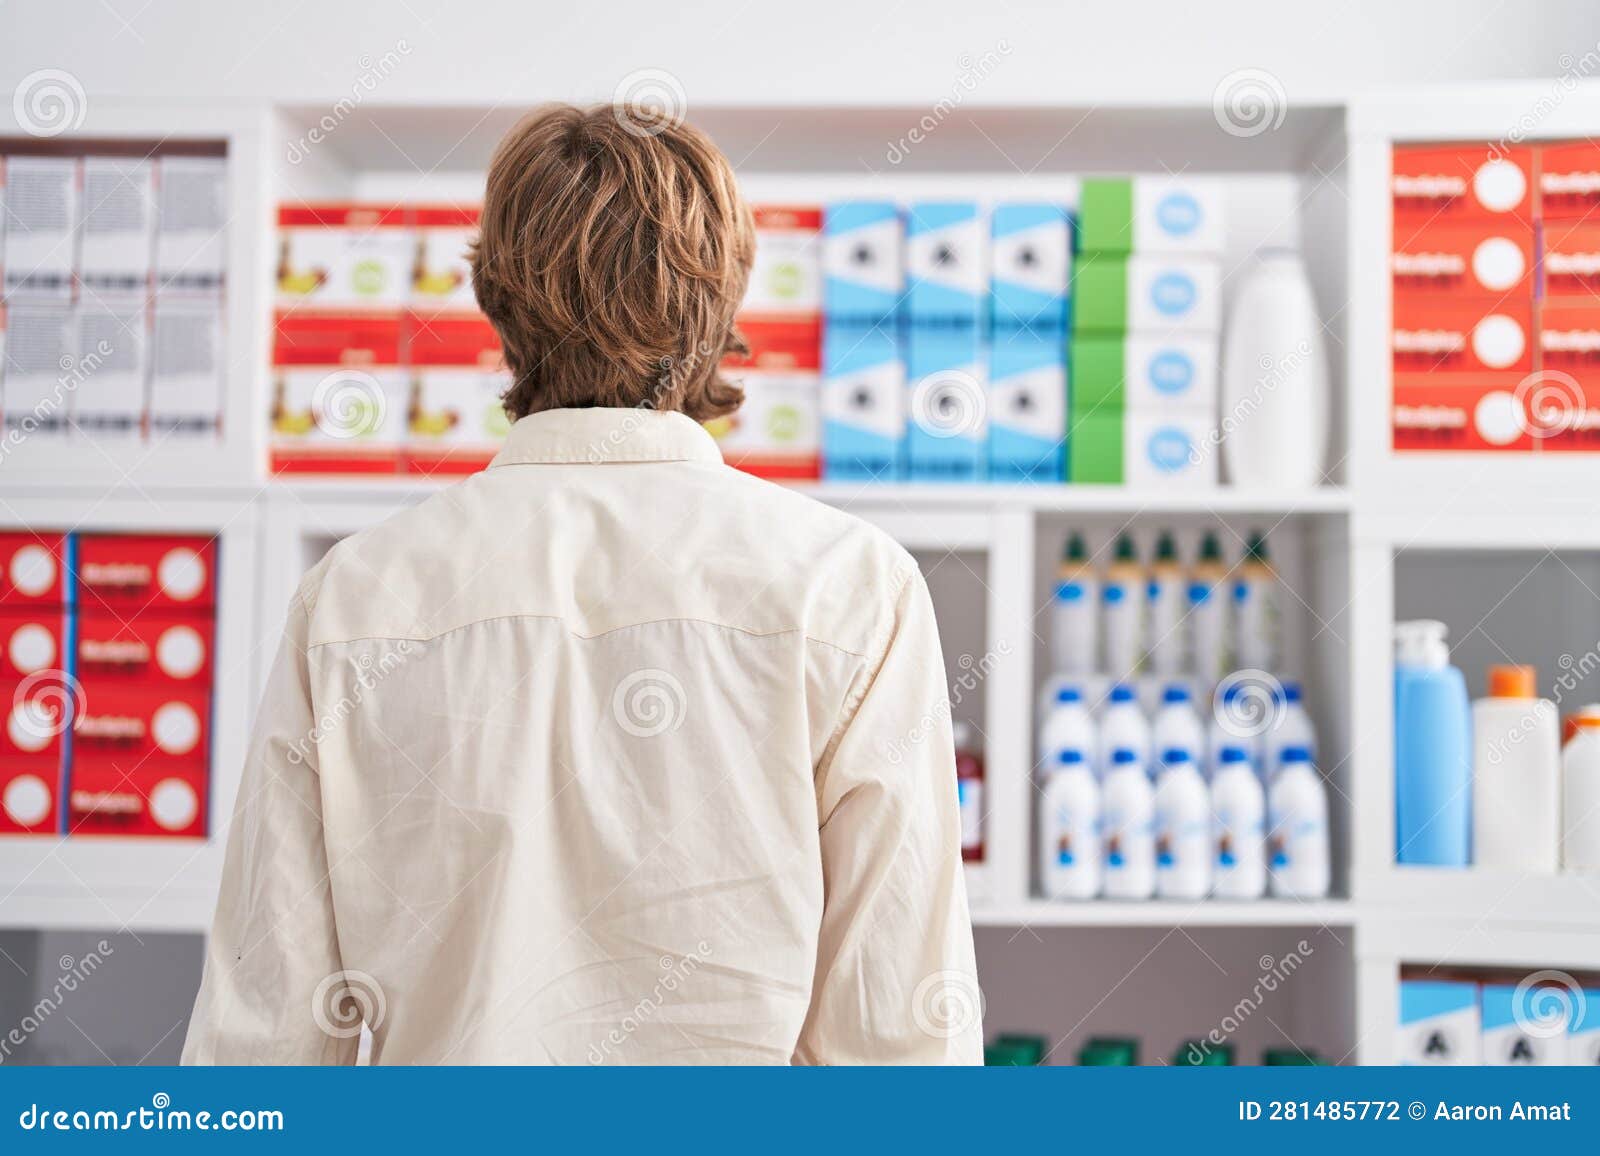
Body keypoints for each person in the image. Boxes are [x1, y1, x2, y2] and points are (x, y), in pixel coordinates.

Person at [182, 103, 980, 1065]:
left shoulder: (356, 594)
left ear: (493, 297)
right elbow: (896, 1034)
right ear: (724, 301)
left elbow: (263, 1042)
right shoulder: (850, 588)